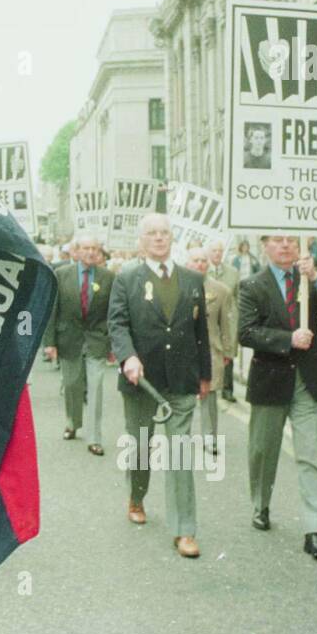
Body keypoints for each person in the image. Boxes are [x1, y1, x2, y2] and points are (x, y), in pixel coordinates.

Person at [239, 235, 317, 561]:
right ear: (265, 246)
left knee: (311, 454)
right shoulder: (252, 285)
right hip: (270, 380)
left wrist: (316, 278)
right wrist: (289, 338)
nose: (286, 246)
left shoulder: (309, 281)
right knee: (263, 451)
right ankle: (260, 505)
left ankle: (315, 530)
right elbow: (245, 332)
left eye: (291, 240)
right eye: (278, 240)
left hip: (308, 382)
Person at [107, 214, 210, 558]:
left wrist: (205, 375)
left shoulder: (193, 279)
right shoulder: (127, 278)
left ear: (172, 238)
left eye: (164, 233)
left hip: (181, 379)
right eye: (152, 233)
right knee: (140, 448)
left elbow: (201, 334)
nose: (159, 238)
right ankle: (137, 495)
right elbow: (117, 323)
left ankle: (184, 530)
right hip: (142, 380)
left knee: (180, 452)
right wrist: (128, 357)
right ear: (141, 240)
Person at [42, 234, 116, 455]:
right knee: (72, 385)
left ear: (100, 252)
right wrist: (50, 343)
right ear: (76, 251)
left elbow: (113, 313)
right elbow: (52, 310)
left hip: (97, 340)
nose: (91, 252)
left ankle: (94, 437)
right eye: (86, 248)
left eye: (94, 248)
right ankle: (73, 422)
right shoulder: (61, 274)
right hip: (69, 339)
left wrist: (112, 346)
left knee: (96, 387)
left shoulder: (108, 277)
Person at [186, 247, 235, 456]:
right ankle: (182, 435)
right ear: (187, 263)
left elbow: (227, 323)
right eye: (195, 260)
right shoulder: (178, 286)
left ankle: (210, 438)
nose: (200, 264)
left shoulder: (221, 290)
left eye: (203, 260)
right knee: (184, 396)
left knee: (210, 394)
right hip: (185, 349)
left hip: (212, 349)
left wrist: (228, 351)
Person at [206, 240, 240, 402]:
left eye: (220, 251)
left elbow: (237, 297)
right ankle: (210, 383)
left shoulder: (233, 273)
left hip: (228, 318)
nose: (217, 254)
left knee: (229, 350)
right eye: (214, 251)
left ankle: (227, 389)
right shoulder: (203, 271)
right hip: (211, 317)